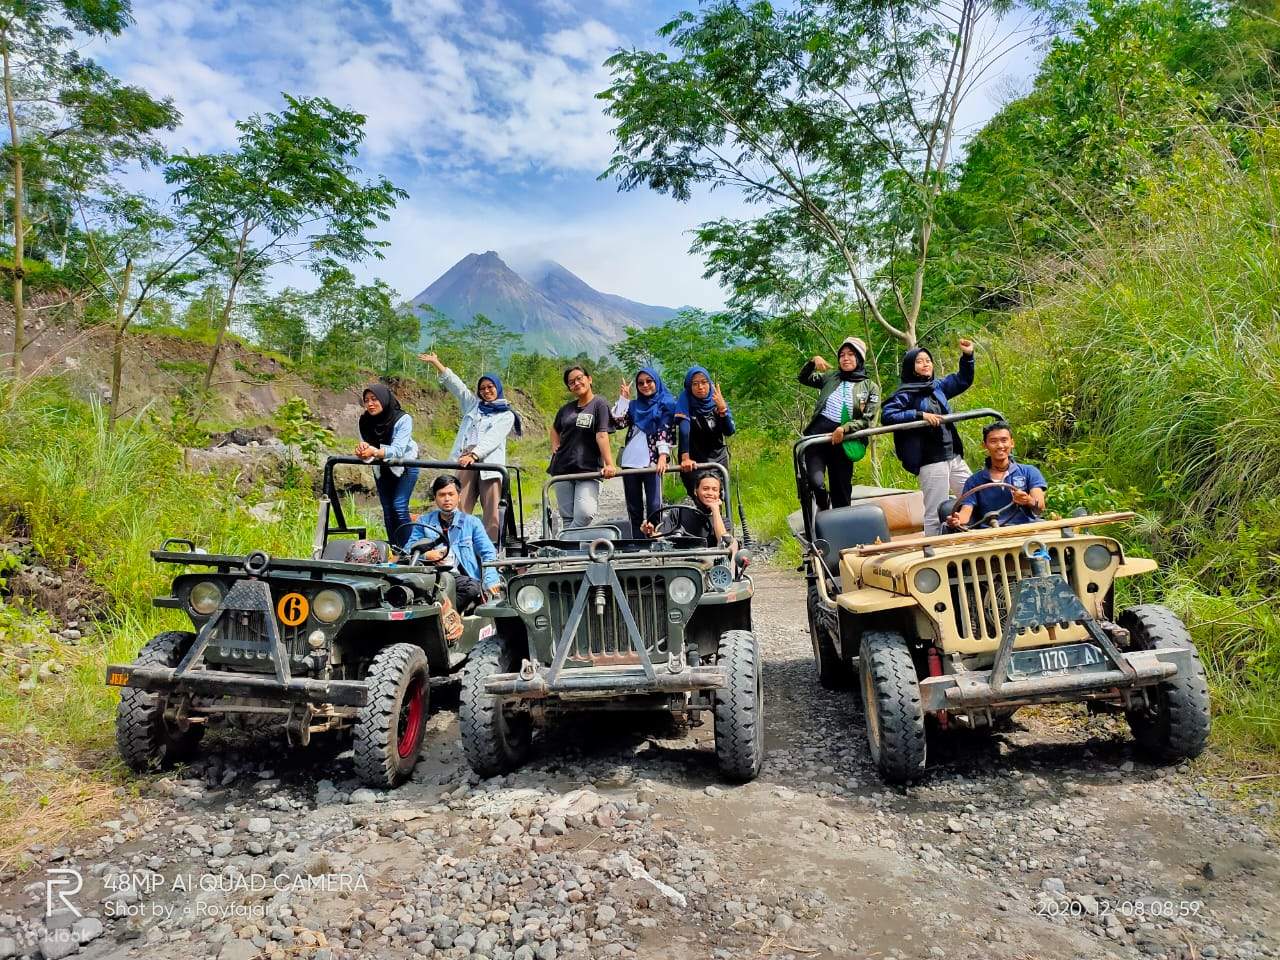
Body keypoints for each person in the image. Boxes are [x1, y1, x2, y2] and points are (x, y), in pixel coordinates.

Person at [418, 352, 521, 544]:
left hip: (489, 465)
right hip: (465, 461)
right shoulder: (474, 406)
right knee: (460, 504)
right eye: (482, 388)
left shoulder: (506, 415)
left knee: (492, 510)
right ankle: (457, 544)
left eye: (490, 387)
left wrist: (475, 454)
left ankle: (491, 550)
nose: (486, 391)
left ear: (498, 388)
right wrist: (436, 363)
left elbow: (493, 438)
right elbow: (457, 386)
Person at [880, 338, 976, 536]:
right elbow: (888, 415)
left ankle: (977, 537)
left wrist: (967, 357)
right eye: (920, 361)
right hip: (931, 460)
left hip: (954, 456)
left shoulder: (937, 387)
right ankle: (933, 551)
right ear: (911, 367)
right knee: (935, 511)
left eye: (928, 360)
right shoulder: (905, 394)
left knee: (975, 496)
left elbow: (962, 380)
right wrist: (919, 415)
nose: (926, 364)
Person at [798, 336, 881, 511]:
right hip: (817, 438)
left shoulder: (869, 386)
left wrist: (845, 428)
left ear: (859, 358)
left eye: (851, 354)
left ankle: (844, 532)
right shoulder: (831, 377)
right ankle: (823, 508)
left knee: (841, 491)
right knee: (816, 483)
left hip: (845, 441)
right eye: (842, 355)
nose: (845, 358)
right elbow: (803, 378)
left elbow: (868, 419)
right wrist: (813, 362)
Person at [404, 474, 502, 613]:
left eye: (451, 494)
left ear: (459, 496)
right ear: (435, 497)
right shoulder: (424, 522)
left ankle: (445, 616)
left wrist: (491, 579)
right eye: (442, 495)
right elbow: (408, 549)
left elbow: (488, 552)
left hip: (461, 579)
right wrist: (427, 555)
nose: (447, 499)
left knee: (471, 588)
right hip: (432, 576)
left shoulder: (472, 522)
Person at [548, 365, 618, 529]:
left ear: (589, 379)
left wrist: (609, 463)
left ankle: (561, 542)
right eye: (571, 382)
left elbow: (602, 434)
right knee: (567, 517)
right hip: (562, 468)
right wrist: (555, 444)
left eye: (579, 378)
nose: (576, 383)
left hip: (588, 469)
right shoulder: (566, 409)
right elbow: (554, 429)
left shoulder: (599, 404)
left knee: (585, 514)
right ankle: (571, 552)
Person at [611, 366, 676, 537]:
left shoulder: (666, 403)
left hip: (653, 462)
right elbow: (618, 423)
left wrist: (663, 456)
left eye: (649, 381)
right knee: (634, 506)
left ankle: (655, 540)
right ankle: (637, 542)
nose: (645, 385)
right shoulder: (633, 406)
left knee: (655, 505)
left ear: (657, 382)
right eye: (641, 383)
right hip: (630, 462)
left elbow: (665, 429)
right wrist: (624, 399)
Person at [947, 421, 1047, 529]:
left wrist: (1027, 500)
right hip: (990, 534)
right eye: (993, 441)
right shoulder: (974, 481)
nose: (1000, 446)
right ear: (984, 445)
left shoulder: (1029, 472)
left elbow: (1040, 507)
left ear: (1012, 443)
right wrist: (957, 520)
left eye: (1004, 440)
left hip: (1026, 530)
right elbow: (965, 513)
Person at [356, 383, 419, 548]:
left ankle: (410, 549)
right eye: (366, 400)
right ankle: (395, 548)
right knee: (388, 510)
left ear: (384, 399)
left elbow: (398, 450)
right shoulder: (364, 421)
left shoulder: (403, 419)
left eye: (374, 399)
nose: (370, 404)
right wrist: (362, 451)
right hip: (381, 467)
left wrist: (373, 451)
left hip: (405, 464)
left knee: (399, 506)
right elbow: (365, 445)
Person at [674, 365, 735, 498]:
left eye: (704, 382)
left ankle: (719, 519)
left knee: (716, 496)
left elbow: (729, 431)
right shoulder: (686, 400)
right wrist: (685, 458)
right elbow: (684, 429)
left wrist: (723, 410)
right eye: (695, 384)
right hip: (693, 459)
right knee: (699, 497)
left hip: (717, 457)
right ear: (689, 386)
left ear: (709, 383)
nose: (700, 387)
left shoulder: (716, 400)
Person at [640, 470, 730, 547]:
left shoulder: (722, 521)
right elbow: (661, 536)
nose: (710, 493)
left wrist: (715, 510)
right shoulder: (679, 513)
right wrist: (650, 533)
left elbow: (725, 543)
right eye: (705, 489)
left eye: (714, 490)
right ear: (696, 491)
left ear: (719, 494)